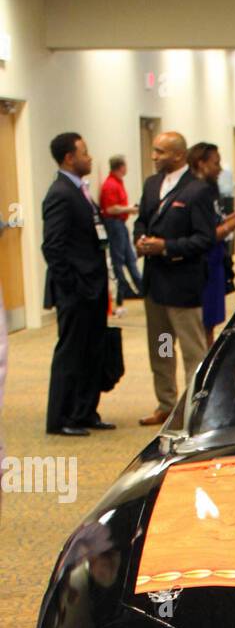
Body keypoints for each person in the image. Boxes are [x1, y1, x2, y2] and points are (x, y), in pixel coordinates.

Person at [134, 130, 216, 427]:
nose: (154, 156)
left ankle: (195, 410)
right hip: (155, 285)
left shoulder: (198, 190)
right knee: (162, 346)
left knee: (192, 351)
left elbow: (205, 239)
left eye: (160, 152)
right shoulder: (151, 183)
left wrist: (166, 247)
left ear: (179, 155)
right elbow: (142, 219)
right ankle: (166, 404)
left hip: (183, 285)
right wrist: (140, 239)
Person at [41, 132, 114, 436]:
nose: (90, 157)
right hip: (76, 290)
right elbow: (53, 247)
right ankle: (61, 418)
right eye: (85, 152)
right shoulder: (59, 193)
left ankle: (85, 412)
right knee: (71, 353)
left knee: (92, 351)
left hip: (93, 287)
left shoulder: (80, 190)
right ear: (69, 158)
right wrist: (72, 286)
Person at [187, 141, 235, 345]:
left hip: (216, 262)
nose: (219, 169)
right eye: (215, 164)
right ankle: (203, 361)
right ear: (201, 163)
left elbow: (218, 222)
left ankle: (207, 354)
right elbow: (208, 234)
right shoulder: (196, 193)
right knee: (202, 323)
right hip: (203, 265)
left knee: (210, 322)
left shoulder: (210, 191)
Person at [99, 154, 143, 310]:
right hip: (114, 224)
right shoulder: (110, 185)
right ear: (121, 167)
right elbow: (111, 208)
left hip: (120, 223)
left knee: (130, 257)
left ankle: (141, 286)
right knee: (119, 258)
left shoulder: (118, 183)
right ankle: (124, 289)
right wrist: (131, 209)